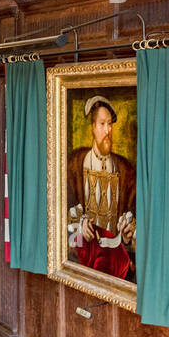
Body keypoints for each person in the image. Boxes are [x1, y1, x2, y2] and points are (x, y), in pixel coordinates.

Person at [65, 95, 136, 280]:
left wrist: (128, 234)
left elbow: (135, 219)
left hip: (115, 262)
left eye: (110, 124)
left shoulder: (125, 170)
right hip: (84, 260)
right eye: (102, 124)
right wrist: (79, 229)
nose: (108, 130)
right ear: (92, 128)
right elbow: (61, 212)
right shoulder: (74, 165)